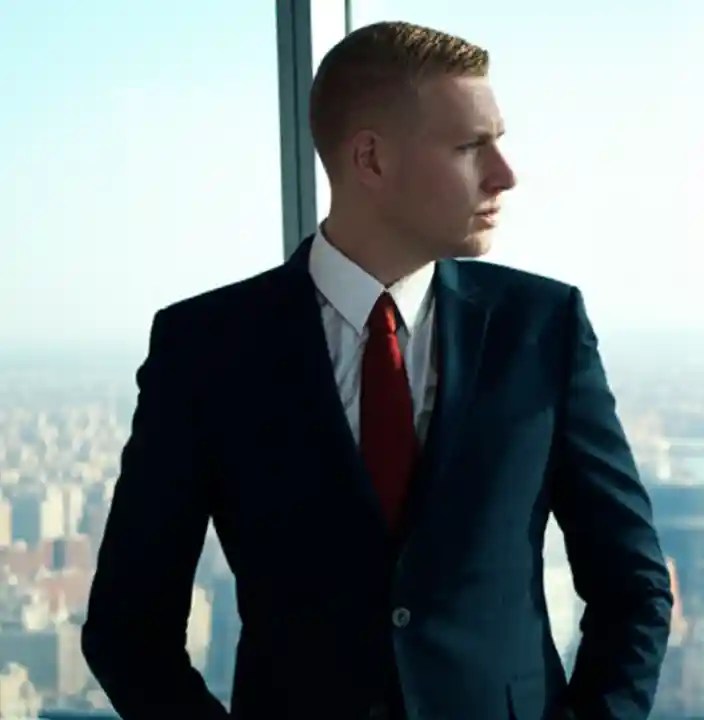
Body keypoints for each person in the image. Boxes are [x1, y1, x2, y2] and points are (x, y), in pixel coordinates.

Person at [82, 21, 672, 720]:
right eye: (468, 147)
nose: (504, 175)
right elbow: (128, 627)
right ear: (370, 159)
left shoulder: (542, 328)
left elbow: (634, 589)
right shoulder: (206, 347)